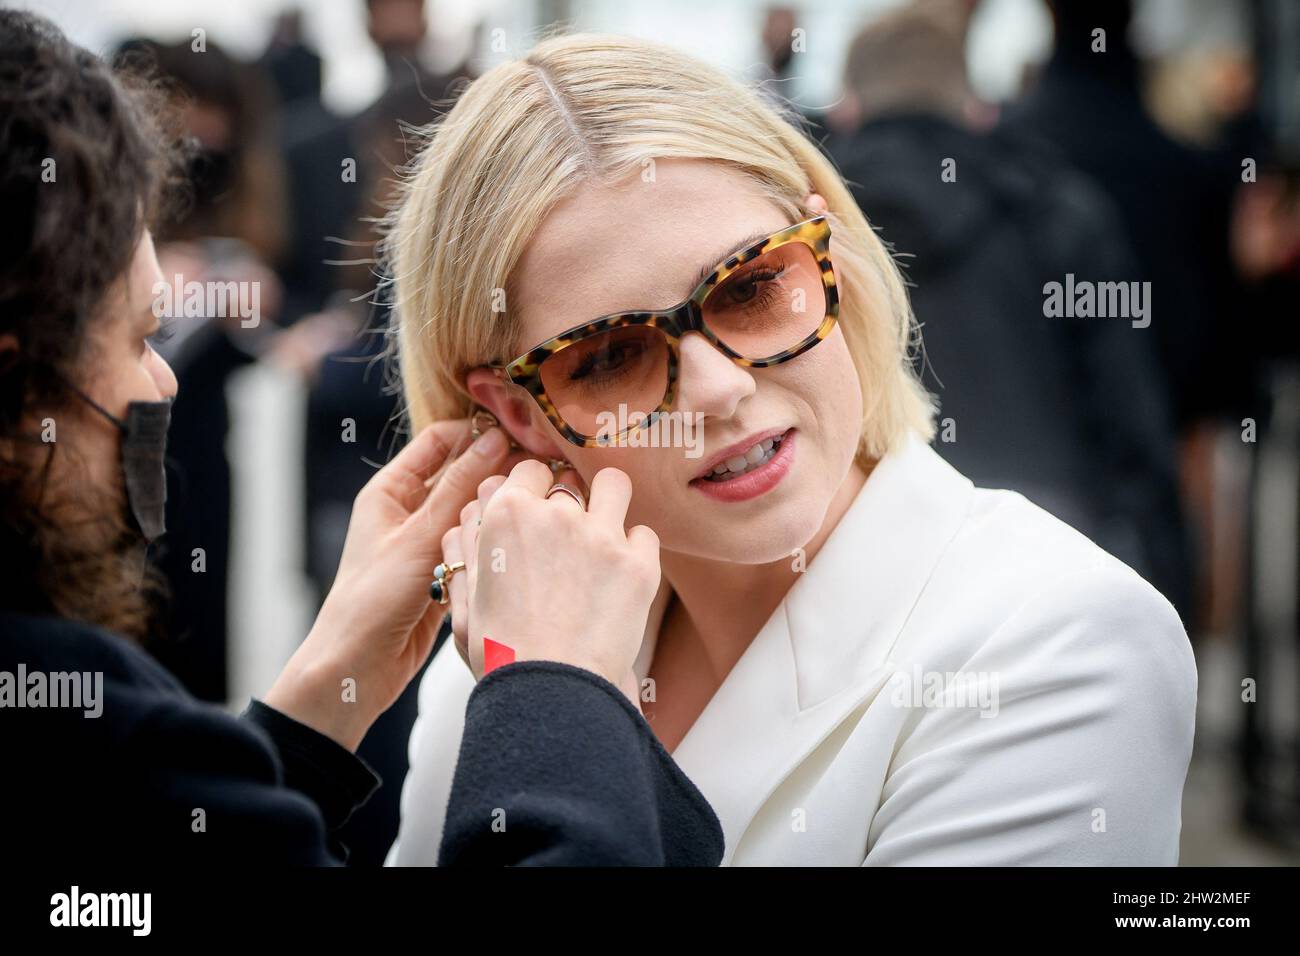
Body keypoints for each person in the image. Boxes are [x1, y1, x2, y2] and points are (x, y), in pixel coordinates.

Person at [387, 33, 1198, 866]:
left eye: (751, 286)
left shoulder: (1053, 641)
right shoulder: (510, 652)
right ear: (518, 413)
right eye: (610, 357)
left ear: (828, 255)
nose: (717, 388)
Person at [0, 10, 721, 868]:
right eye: (138, 336)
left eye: (750, 292)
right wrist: (561, 692)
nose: (162, 380)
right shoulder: (86, 733)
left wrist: (323, 694)